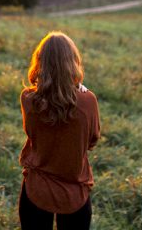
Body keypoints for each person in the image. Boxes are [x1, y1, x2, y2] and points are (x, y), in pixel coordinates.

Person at [18, 31, 101, 230]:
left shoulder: (29, 99)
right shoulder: (88, 101)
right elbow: (92, 141)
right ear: (73, 62)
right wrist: (80, 89)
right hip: (75, 192)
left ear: (40, 62)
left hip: (37, 189)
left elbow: (32, 134)